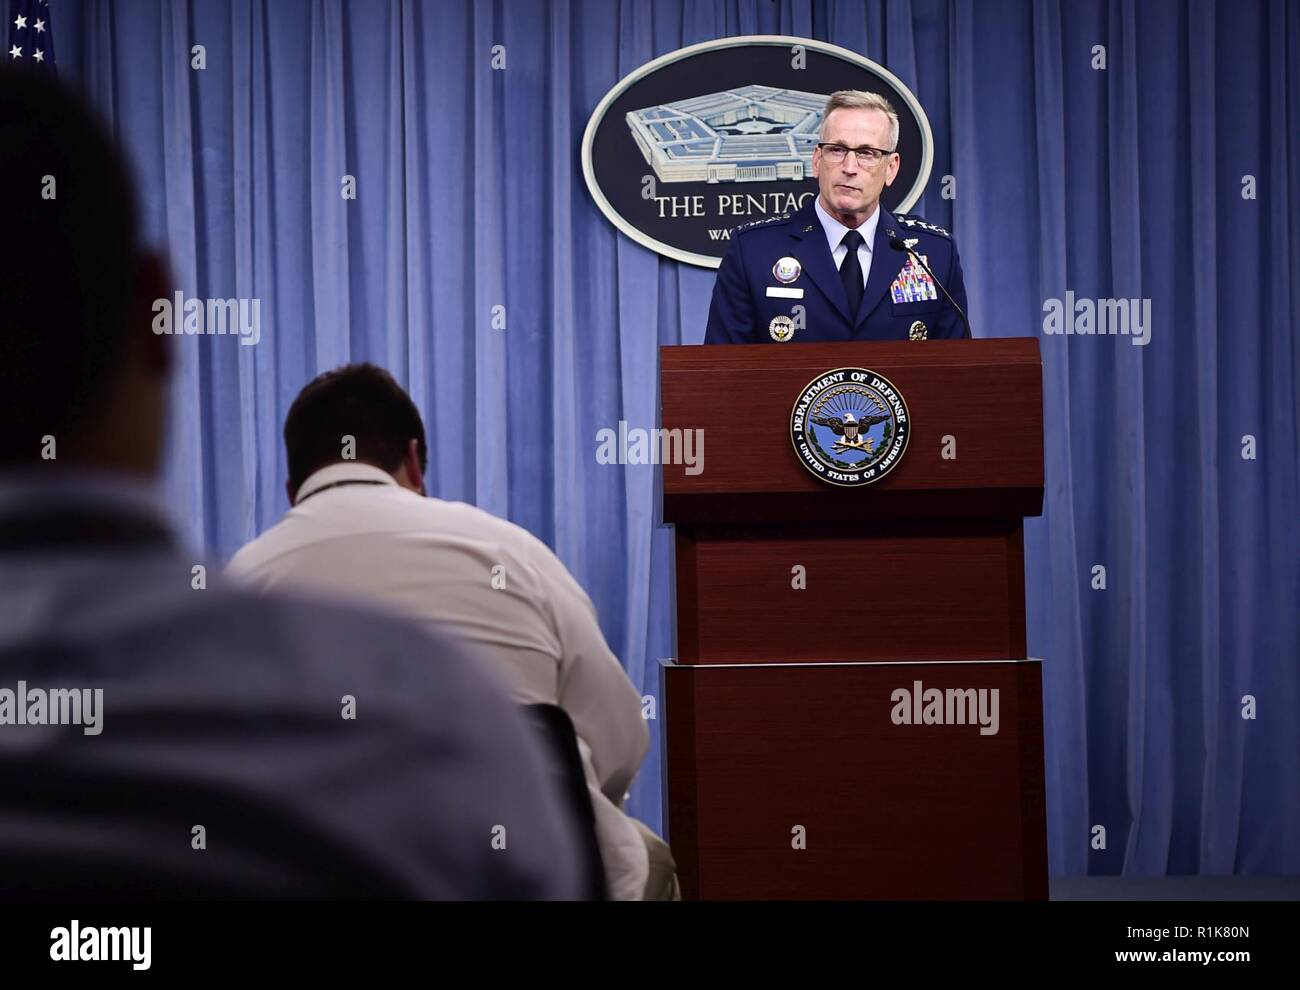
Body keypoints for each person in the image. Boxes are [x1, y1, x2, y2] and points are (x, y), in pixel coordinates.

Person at [0, 69, 584, 899]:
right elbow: (603, 752)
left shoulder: (261, 570)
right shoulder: (442, 709)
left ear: (291, 481)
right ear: (155, 315)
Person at [228, 364, 678, 901]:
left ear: (292, 489)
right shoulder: (511, 552)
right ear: (414, 460)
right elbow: (622, 742)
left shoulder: (240, 587)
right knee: (646, 858)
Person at [704, 89, 970, 344]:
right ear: (817, 160)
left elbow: (956, 367)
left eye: (867, 153)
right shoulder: (753, 251)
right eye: (837, 150)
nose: (849, 167)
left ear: (891, 168)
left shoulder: (934, 253)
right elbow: (724, 368)